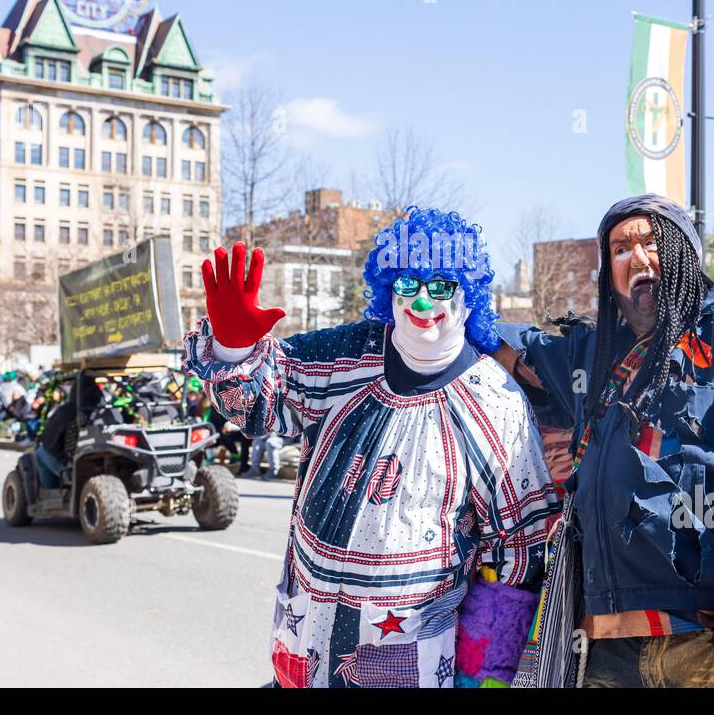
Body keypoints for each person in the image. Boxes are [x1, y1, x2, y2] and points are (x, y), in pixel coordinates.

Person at [494, 194, 714, 688]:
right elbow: (501, 346)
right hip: (607, 648)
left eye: (651, 242)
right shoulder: (596, 354)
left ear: (685, 252)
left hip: (711, 646)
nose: (637, 257)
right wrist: (443, 303)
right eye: (620, 249)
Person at [184, 209, 559, 688]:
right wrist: (235, 348)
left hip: (411, 663)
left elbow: (517, 555)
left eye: (441, 285)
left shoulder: (495, 401)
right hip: (303, 647)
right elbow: (263, 404)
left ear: (468, 295)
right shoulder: (344, 355)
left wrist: (480, 673)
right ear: (389, 290)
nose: (423, 301)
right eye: (407, 285)